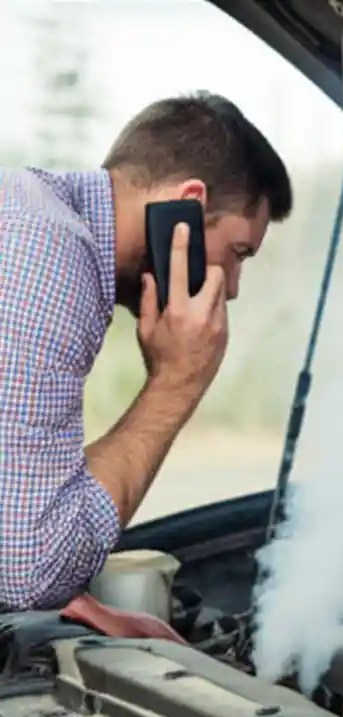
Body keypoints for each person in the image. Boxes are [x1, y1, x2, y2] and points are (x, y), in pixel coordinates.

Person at [0, 92, 293, 611]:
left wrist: (73, 598)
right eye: (239, 251)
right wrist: (176, 382)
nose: (233, 288)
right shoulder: (48, 256)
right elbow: (28, 575)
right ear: (190, 206)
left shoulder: (27, 220)